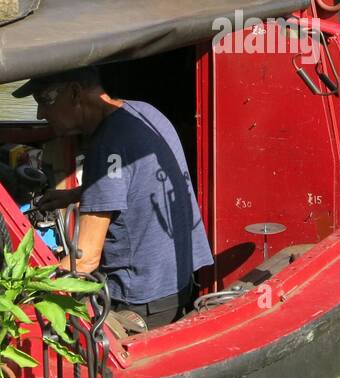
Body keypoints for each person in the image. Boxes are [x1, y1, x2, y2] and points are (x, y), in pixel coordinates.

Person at [12, 66, 214, 327]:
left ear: (75, 93)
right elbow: (137, 182)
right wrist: (74, 194)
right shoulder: (143, 112)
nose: (40, 113)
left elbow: (85, 260)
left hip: (139, 303)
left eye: (44, 100)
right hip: (177, 283)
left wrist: (21, 289)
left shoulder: (108, 144)